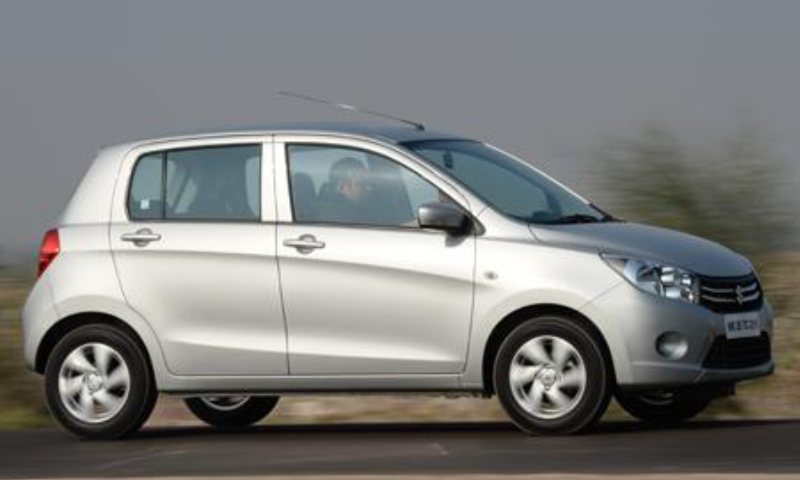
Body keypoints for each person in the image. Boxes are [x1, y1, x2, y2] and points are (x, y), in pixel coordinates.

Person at [317, 157, 371, 223]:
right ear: (342, 187)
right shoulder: (336, 217)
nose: (367, 188)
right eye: (361, 184)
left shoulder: (348, 209)